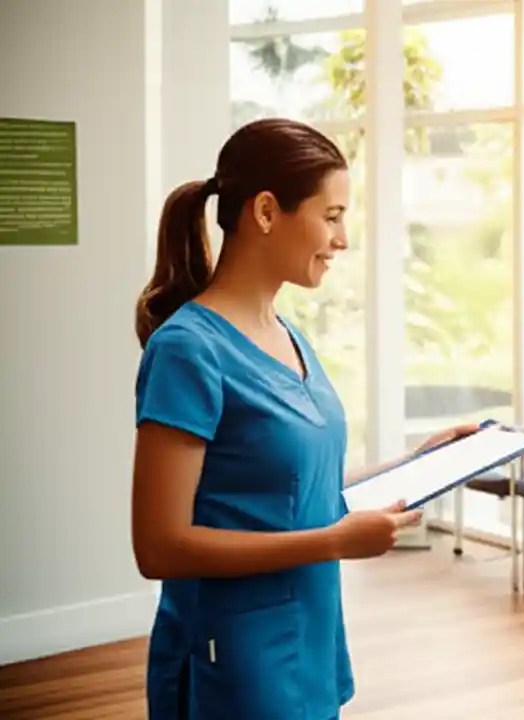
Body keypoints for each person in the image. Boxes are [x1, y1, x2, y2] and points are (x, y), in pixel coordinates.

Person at [130, 117, 474, 719]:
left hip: (309, 639)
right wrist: (334, 542)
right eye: (333, 215)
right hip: (232, 660)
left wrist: (418, 462)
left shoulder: (285, 334)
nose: (342, 239)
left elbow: (296, 489)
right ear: (266, 212)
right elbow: (159, 547)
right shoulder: (188, 350)